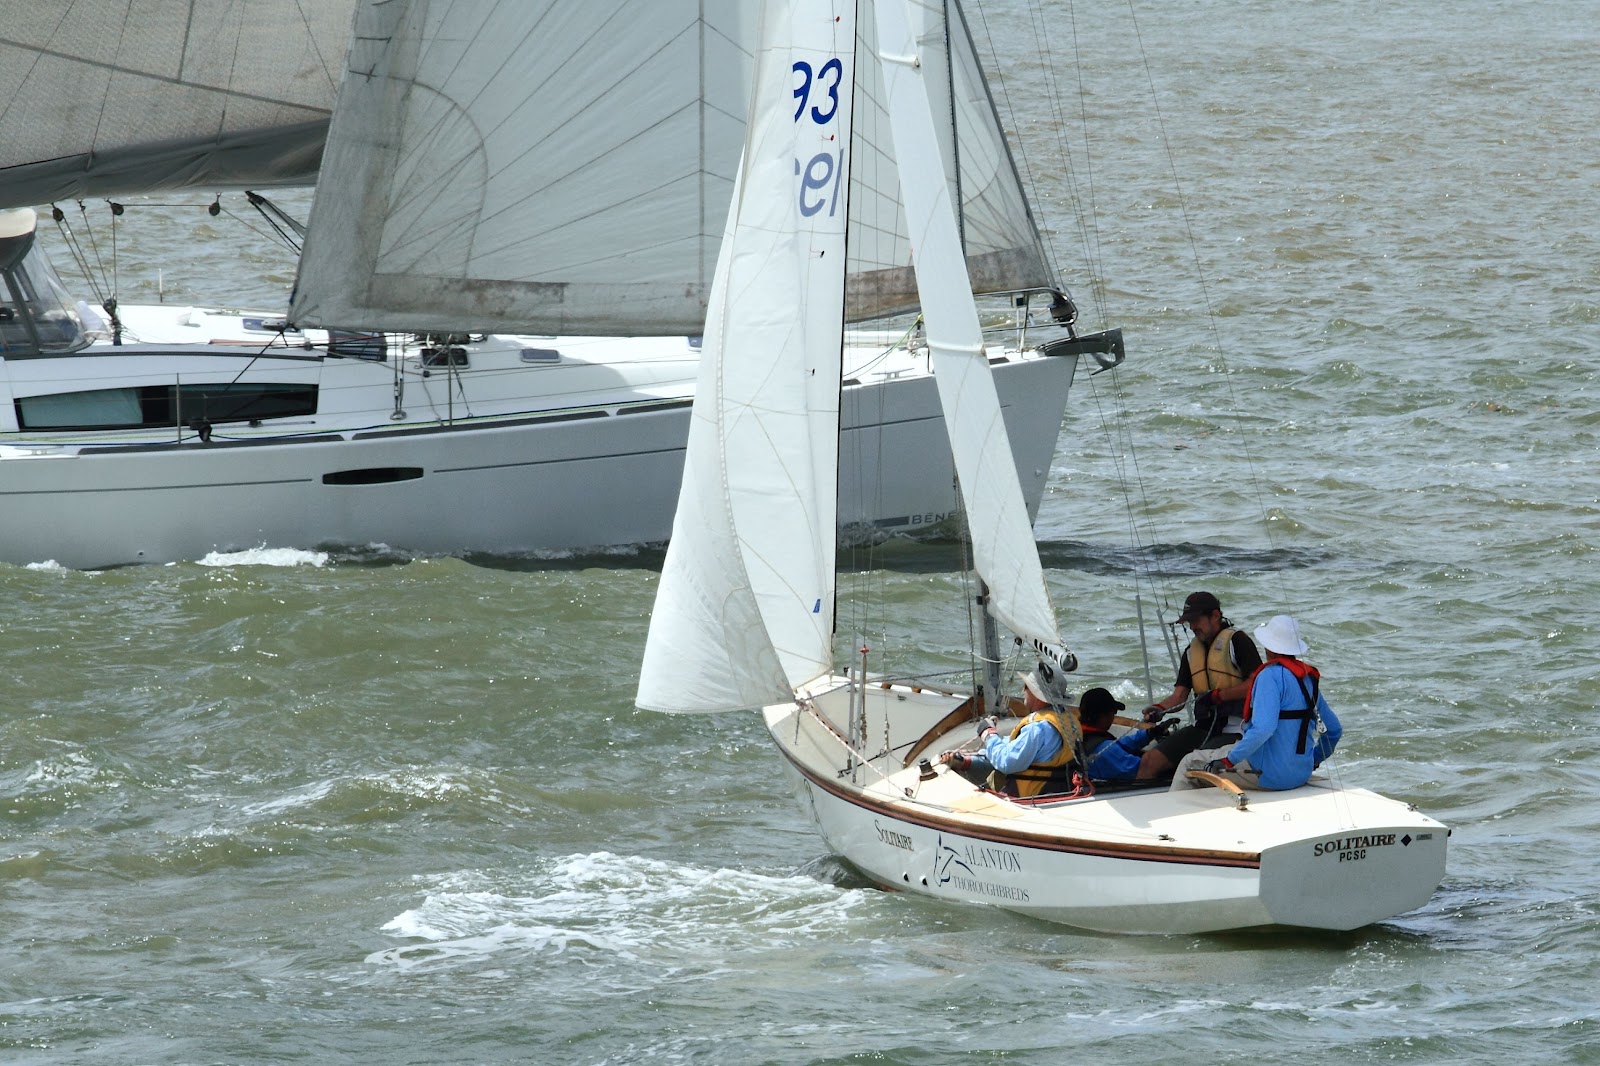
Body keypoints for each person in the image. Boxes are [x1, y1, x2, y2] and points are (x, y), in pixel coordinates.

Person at [1185, 614, 1342, 790]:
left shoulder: (1269, 676)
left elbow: (1263, 729)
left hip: (1267, 775)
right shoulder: (1308, 680)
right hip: (1301, 774)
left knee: (1189, 763)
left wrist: (1229, 760)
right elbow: (1334, 730)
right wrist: (1314, 760)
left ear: (1270, 649)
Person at [1136, 591, 1263, 779]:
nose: (1192, 626)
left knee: (1195, 763)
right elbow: (1179, 696)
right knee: (1149, 760)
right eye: (1189, 622)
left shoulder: (1238, 641)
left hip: (1237, 729)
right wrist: (1159, 708)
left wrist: (1220, 696)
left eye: (1196, 620)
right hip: (1203, 728)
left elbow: (1257, 684)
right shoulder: (1191, 652)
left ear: (1215, 616)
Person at [939, 658, 1082, 797]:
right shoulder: (1069, 721)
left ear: (1036, 694)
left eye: (1026, 686)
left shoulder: (1037, 729)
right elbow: (1010, 750)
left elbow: (1006, 762)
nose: (1023, 689)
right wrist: (966, 761)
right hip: (1057, 792)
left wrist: (988, 734)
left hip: (1027, 798)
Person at [1078, 687, 1175, 782]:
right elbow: (1143, 769)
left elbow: (1120, 743)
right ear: (1103, 717)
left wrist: (1150, 733)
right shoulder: (1105, 750)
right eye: (1114, 712)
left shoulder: (1081, 736)